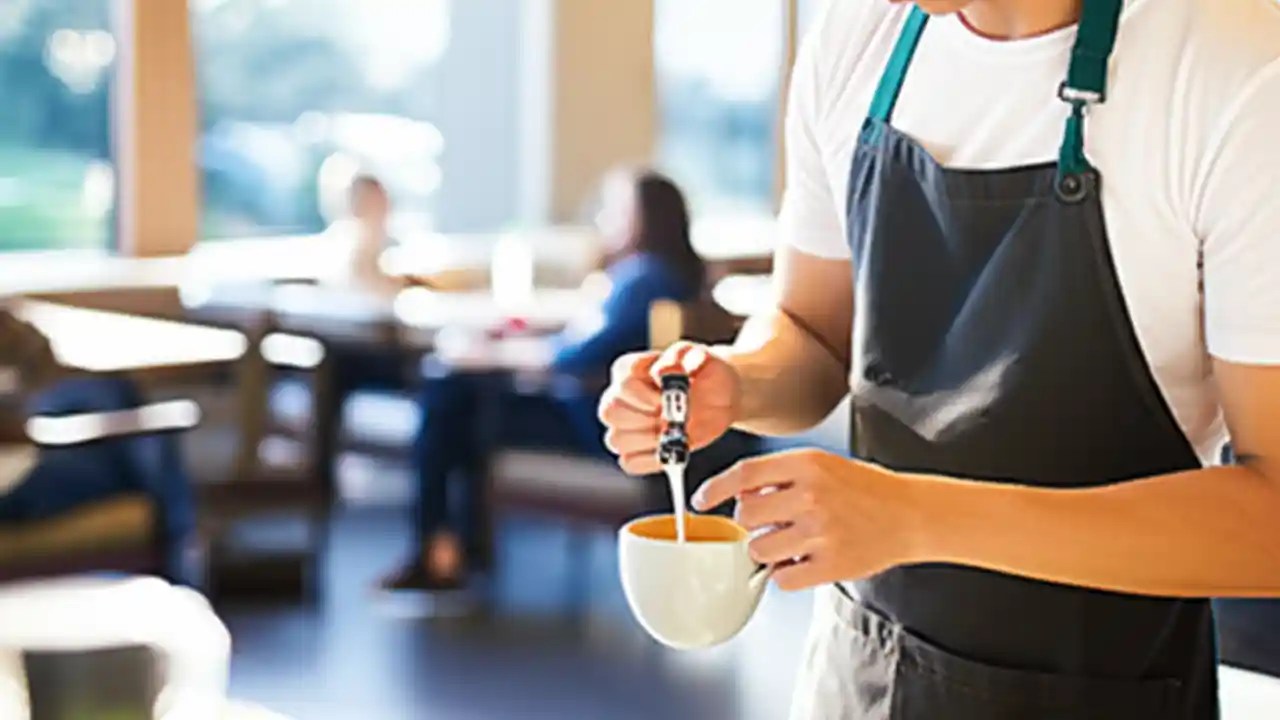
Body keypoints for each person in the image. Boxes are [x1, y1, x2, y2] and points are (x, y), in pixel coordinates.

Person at [598, 1, 1280, 717]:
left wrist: (913, 516)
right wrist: (734, 382)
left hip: (1097, 691)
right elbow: (812, 330)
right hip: (856, 678)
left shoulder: (1233, 68)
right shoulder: (858, 37)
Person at [379, 169, 707, 592]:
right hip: (591, 411)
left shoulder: (645, 278)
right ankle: (452, 548)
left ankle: (440, 551)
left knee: (449, 392)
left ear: (644, 217)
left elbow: (578, 356)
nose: (604, 220)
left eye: (615, 209)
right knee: (458, 397)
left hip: (593, 425)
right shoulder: (659, 277)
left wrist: (493, 354)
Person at [0, 312, 196, 584]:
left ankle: (184, 557)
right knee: (125, 431)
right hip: (23, 477)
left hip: (39, 439)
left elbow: (31, 348)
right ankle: (183, 560)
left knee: (109, 396)